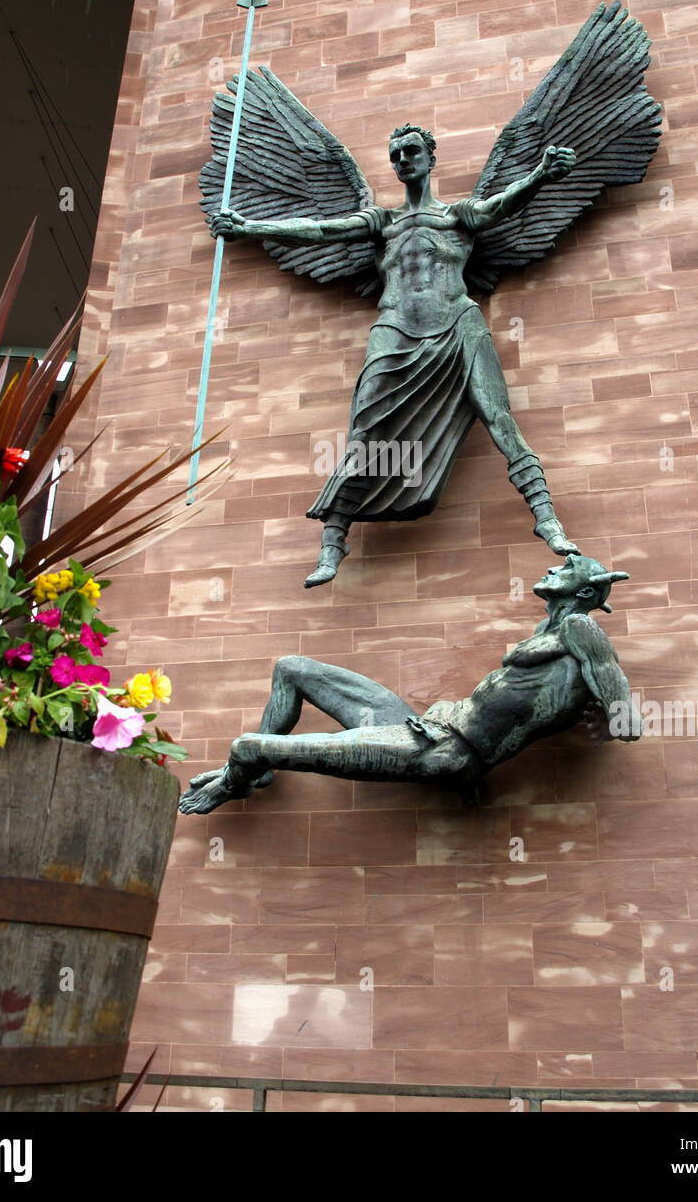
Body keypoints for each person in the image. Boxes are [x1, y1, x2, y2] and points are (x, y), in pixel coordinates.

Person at [210, 127, 580, 587]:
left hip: (457, 323)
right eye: (395, 155)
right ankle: (332, 541)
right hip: (394, 327)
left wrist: (541, 174)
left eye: (412, 151)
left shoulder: (457, 215)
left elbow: (499, 205)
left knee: (499, 417)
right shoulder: (382, 222)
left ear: (430, 158)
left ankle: (547, 521)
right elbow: (321, 230)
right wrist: (249, 228)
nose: (403, 159)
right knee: (365, 429)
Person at [179, 555, 643, 815]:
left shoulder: (582, 629)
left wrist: (609, 718)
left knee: (245, 745)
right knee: (292, 668)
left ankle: (234, 779)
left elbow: (621, 701)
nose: (549, 570)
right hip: (423, 726)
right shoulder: (552, 633)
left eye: (565, 569)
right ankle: (255, 774)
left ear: (584, 592)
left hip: (442, 753)